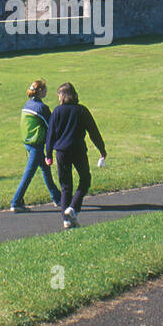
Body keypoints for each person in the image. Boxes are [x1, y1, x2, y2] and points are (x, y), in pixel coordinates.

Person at [44, 82, 107, 229]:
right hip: (78, 150)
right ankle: (73, 208)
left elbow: (50, 135)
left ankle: (66, 219)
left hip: (61, 152)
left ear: (62, 96)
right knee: (85, 179)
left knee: (66, 185)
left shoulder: (57, 112)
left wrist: (48, 154)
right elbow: (94, 132)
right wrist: (102, 149)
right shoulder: (81, 110)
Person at [11, 79, 63, 213]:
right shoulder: (41, 108)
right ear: (40, 91)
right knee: (28, 174)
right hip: (37, 145)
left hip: (28, 143)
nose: (46, 91)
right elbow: (52, 127)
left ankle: (57, 197)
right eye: (45, 89)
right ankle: (16, 202)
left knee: (46, 170)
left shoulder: (27, 105)